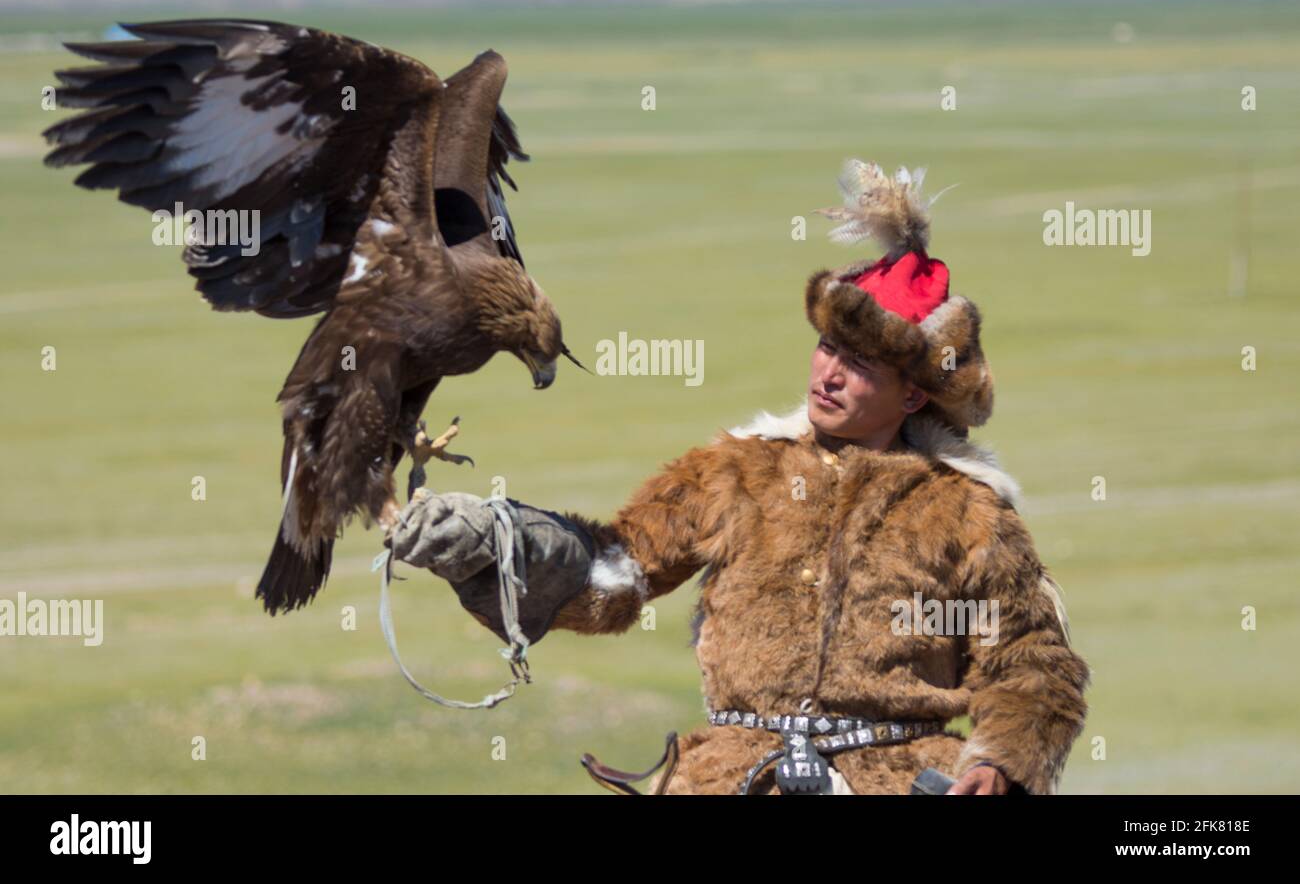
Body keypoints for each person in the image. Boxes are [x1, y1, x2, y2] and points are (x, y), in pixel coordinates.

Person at [388, 160, 1090, 795]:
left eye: (861, 364)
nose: (829, 374)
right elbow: (616, 573)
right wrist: (502, 542)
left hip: (898, 778)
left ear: (912, 394)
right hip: (732, 778)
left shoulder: (966, 511)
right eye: (826, 347)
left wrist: (997, 763)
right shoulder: (737, 470)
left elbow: (1031, 661)